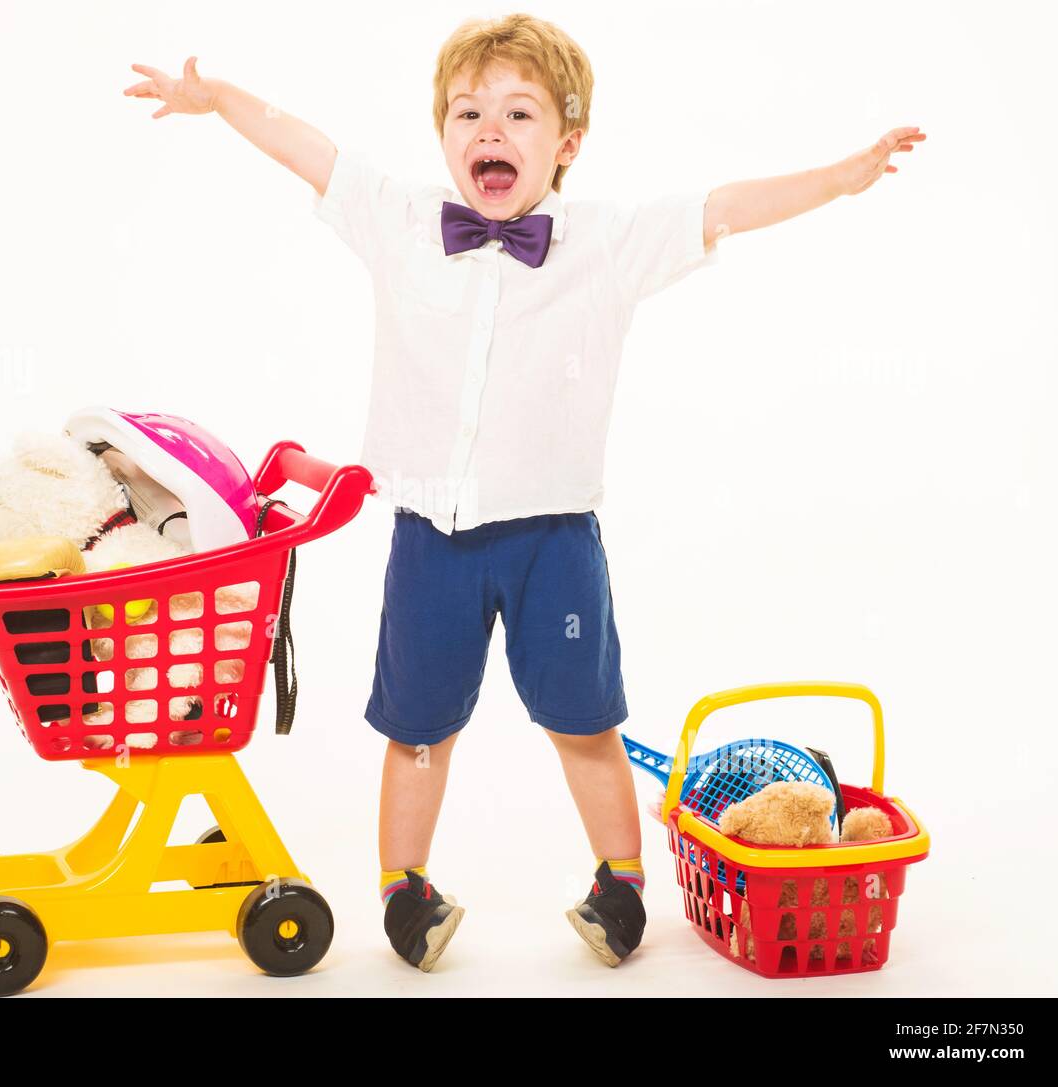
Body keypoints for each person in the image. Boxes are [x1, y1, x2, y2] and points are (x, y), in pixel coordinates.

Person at [123, 12, 924, 971]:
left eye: (518, 113)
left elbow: (724, 207)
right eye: (469, 113)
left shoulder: (609, 244)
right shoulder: (404, 222)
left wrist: (840, 177)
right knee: (418, 731)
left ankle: (619, 880)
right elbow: (312, 150)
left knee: (585, 722)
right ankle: (403, 890)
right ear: (444, 136)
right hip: (432, 537)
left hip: (554, 542)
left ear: (567, 143)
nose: (489, 132)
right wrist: (217, 102)